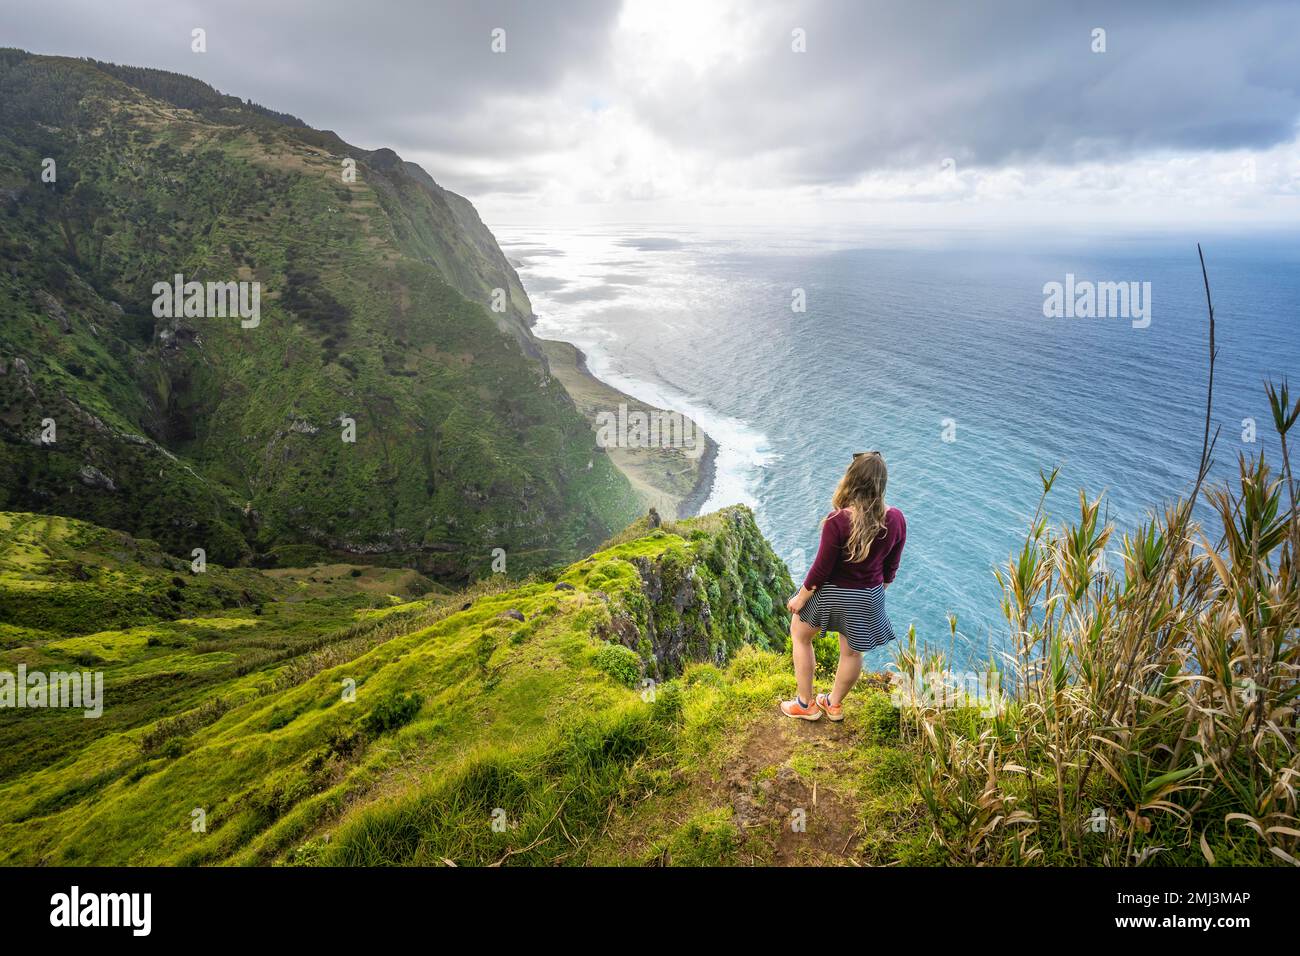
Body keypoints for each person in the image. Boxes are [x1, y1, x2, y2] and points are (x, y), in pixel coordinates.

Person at [781, 451, 906, 722]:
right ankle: (834, 705)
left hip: (832, 594)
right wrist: (875, 591)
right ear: (880, 483)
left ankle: (805, 704)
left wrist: (800, 599)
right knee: (851, 651)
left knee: (800, 634)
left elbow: (821, 569)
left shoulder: (837, 521)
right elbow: (891, 567)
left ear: (852, 480)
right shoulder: (896, 518)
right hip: (870, 595)